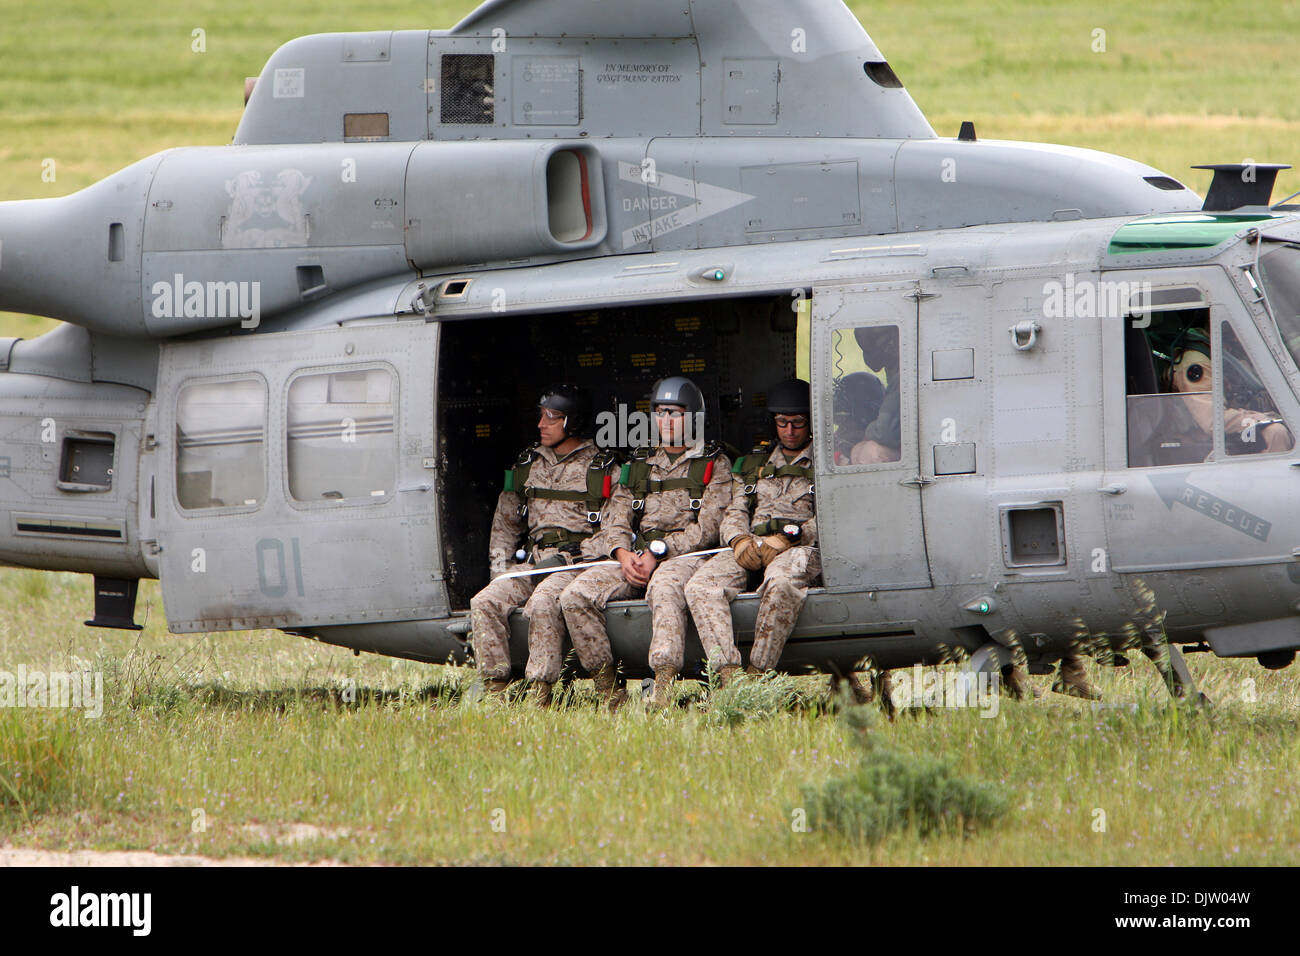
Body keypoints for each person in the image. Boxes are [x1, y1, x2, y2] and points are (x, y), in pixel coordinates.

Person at [559, 377, 731, 711]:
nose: (665, 420)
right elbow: (616, 519)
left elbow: (708, 530)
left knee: (665, 587)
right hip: (635, 558)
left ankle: (662, 689)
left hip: (686, 557)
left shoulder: (714, 463)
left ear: (693, 417)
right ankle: (609, 693)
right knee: (574, 596)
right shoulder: (638, 465)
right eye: (659, 412)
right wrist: (623, 554)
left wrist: (658, 553)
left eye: (675, 413)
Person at [468, 385, 615, 706]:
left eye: (551, 417)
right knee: (484, 602)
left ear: (572, 422)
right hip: (535, 562)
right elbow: (505, 525)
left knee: (544, 603)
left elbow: (617, 531)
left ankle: (540, 692)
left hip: (575, 564)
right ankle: (495, 690)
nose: (541, 424)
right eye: (540, 416)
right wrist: (500, 571)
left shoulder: (603, 468)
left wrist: (572, 556)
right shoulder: (527, 465)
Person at [685, 379, 820, 680]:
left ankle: (759, 672)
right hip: (753, 544)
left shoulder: (825, 462)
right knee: (700, 586)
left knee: (782, 582)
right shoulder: (754, 462)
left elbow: (830, 517)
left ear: (810, 421)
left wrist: (788, 539)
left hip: (799, 547)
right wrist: (738, 540)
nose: (789, 430)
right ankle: (729, 675)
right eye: (782, 422)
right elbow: (735, 509)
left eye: (797, 423)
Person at [849, 326, 901, 464]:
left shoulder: (902, 376)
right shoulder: (896, 370)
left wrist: (866, 432)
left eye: (870, 348)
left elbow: (885, 432)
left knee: (869, 453)